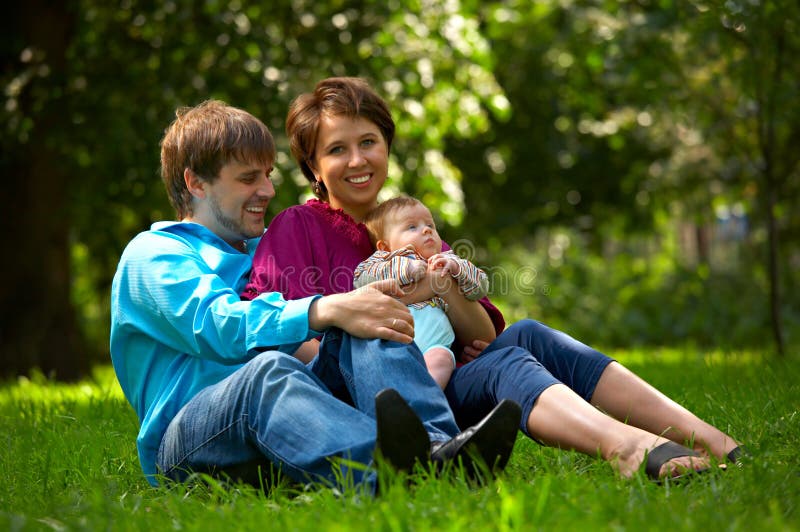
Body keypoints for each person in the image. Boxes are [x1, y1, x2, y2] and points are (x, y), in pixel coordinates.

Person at [242, 77, 746, 481]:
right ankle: (630, 448)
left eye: (368, 142)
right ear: (313, 163)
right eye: (337, 149)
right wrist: (353, 346)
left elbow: (483, 340)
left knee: (524, 337)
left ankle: (711, 439)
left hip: (437, 383)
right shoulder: (297, 225)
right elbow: (272, 329)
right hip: (361, 398)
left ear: (387, 146)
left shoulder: (407, 224)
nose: (357, 161)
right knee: (442, 347)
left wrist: (441, 284)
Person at [108, 100, 522, 494]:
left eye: (268, 174)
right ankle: (399, 473)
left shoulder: (263, 249)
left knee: (366, 316)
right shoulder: (154, 254)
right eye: (249, 178)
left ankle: (440, 446)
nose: (268, 190)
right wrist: (325, 308)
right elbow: (219, 326)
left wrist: (358, 310)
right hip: (191, 442)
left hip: (291, 427)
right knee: (269, 366)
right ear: (195, 182)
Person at [353, 196, 489, 389]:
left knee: (442, 359)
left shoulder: (446, 260)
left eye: (430, 225)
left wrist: (457, 270)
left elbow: (480, 287)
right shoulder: (384, 261)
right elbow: (361, 280)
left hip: (433, 348)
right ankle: (403, 401)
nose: (426, 230)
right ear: (384, 246)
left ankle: (427, 399)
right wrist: (407, 269)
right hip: (392, 343)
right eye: (411, 227)